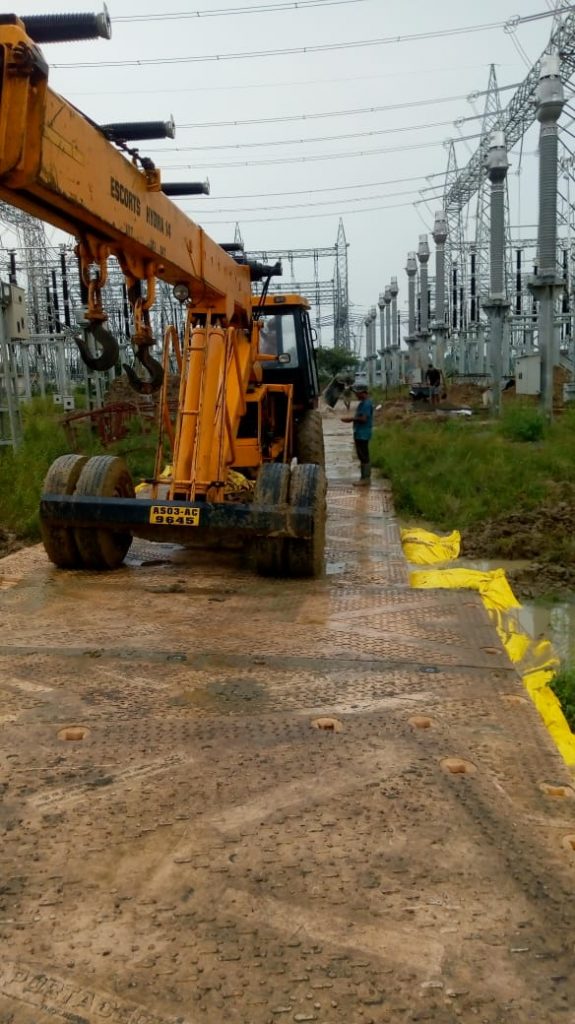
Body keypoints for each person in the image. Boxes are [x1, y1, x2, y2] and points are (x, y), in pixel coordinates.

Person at [341, 384, 374, 486]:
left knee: (364, 455)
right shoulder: (363, 403)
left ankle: (365, 479)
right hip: (360, 433)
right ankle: (364, 478)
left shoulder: (366, 404)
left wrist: (350, 419)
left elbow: (364, 419)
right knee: (362, 455)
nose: (356, 395)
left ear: (363, 393)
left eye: (357, 393)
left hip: (362, 434)